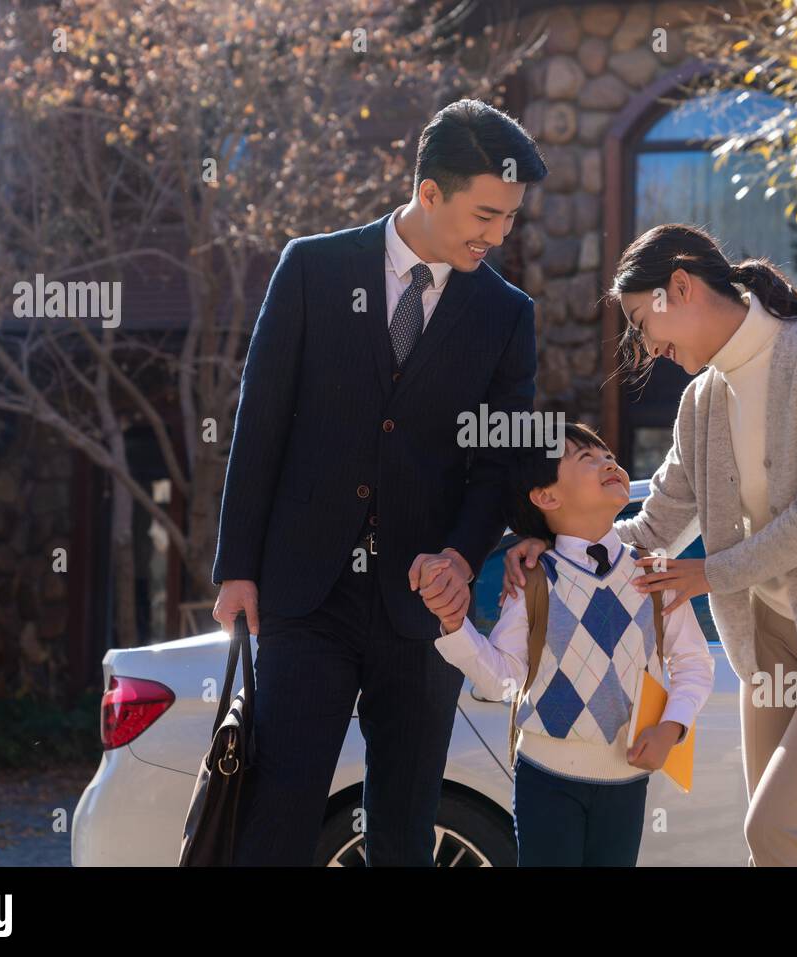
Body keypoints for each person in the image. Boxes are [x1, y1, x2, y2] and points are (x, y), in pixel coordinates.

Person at [504, 224, 797, 865]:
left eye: (644, 322)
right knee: (768, 841)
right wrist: (549, 546)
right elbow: (649, 530)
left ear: (681, 287)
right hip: (771, 636)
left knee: (777, 828)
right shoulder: (701, 402)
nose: (645, 346)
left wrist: (709, 573)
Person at [212, 100, 547, 866]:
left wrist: (463, 558)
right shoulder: (312, 269)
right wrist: (236, 566)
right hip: (307, 593)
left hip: (426, 611)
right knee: (276, 817)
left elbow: (496, 460)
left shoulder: (505, 314)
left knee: (402, 828)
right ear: (430, 192)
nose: (498, 236)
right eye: (486, 214)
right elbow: (259, 424)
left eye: (510, 219)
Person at [418, 423, 714, 866]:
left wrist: (671, 728)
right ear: (546, 497)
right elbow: (504, 677)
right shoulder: (534, 578)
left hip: (627, 782)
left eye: (608, 455)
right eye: (587, 459)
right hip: (545, 780)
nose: (608, 462)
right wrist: (454, 625)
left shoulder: (656, 576)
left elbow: (694, 663)